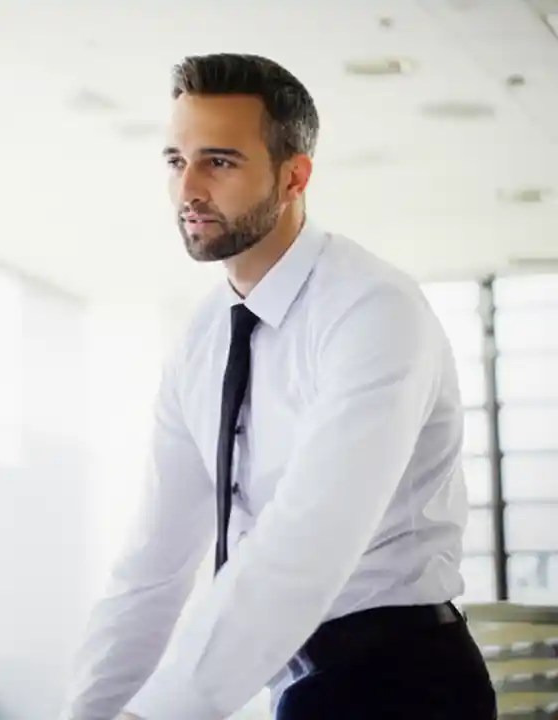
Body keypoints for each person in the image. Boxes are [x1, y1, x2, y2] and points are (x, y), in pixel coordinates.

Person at [61, 53, 496, 720]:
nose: (188, 189)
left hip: (404, 684)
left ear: (294, 176)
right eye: (176, 161)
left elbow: (306, 543)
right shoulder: (202, 340)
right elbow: (152, 566)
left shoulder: (373, 309)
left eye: (219, 162)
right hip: (298, 688)